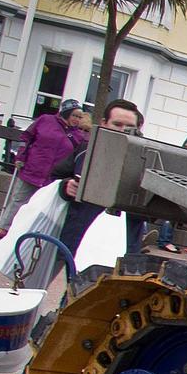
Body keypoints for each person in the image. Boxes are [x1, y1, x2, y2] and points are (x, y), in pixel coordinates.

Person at [52, 97, 139, 274]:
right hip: (75, 234)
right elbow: (54, 178)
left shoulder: (145, 159)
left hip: (116, 247)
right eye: (117, 124)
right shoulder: (86, 149)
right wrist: (64, 187)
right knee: (41, 287)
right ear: (104, 123)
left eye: (129, 127)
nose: (123, 130)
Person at [0, 99, 87, 235]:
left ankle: (26, 232)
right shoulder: (45, 120)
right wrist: (21, 157)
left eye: (80, 117)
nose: (77, 119)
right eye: (75, 115)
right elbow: (26, 137)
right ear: (66, 113)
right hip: (33, 168)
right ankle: (5, 227)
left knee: (41, 206)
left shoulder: (78, 136)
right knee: (19, 200)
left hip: (52, 176)